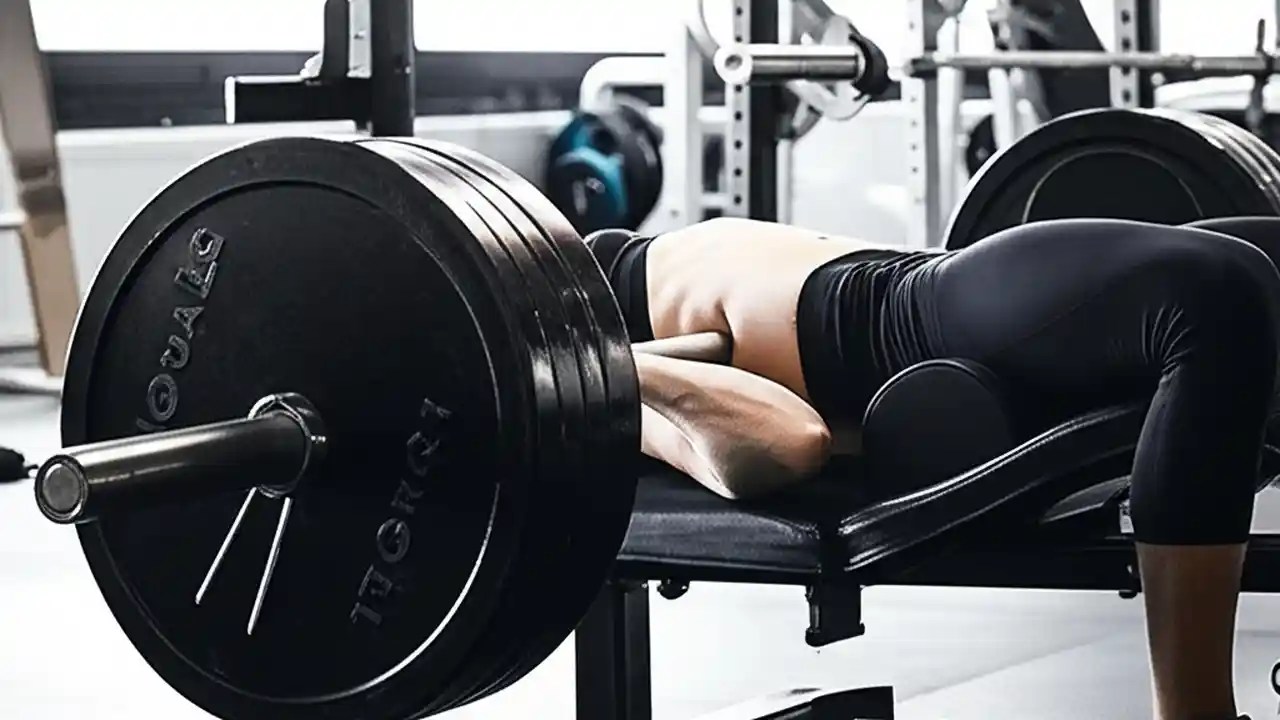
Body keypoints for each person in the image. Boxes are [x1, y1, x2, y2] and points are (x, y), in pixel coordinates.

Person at [586, 215, 1280, 720]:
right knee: (1214, 292)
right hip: (913, 321)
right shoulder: (610, 383)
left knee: (1261, 259)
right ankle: (1192, 710)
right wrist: (603, 368)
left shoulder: (615, 270)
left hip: (932, 275)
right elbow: (788, 444)